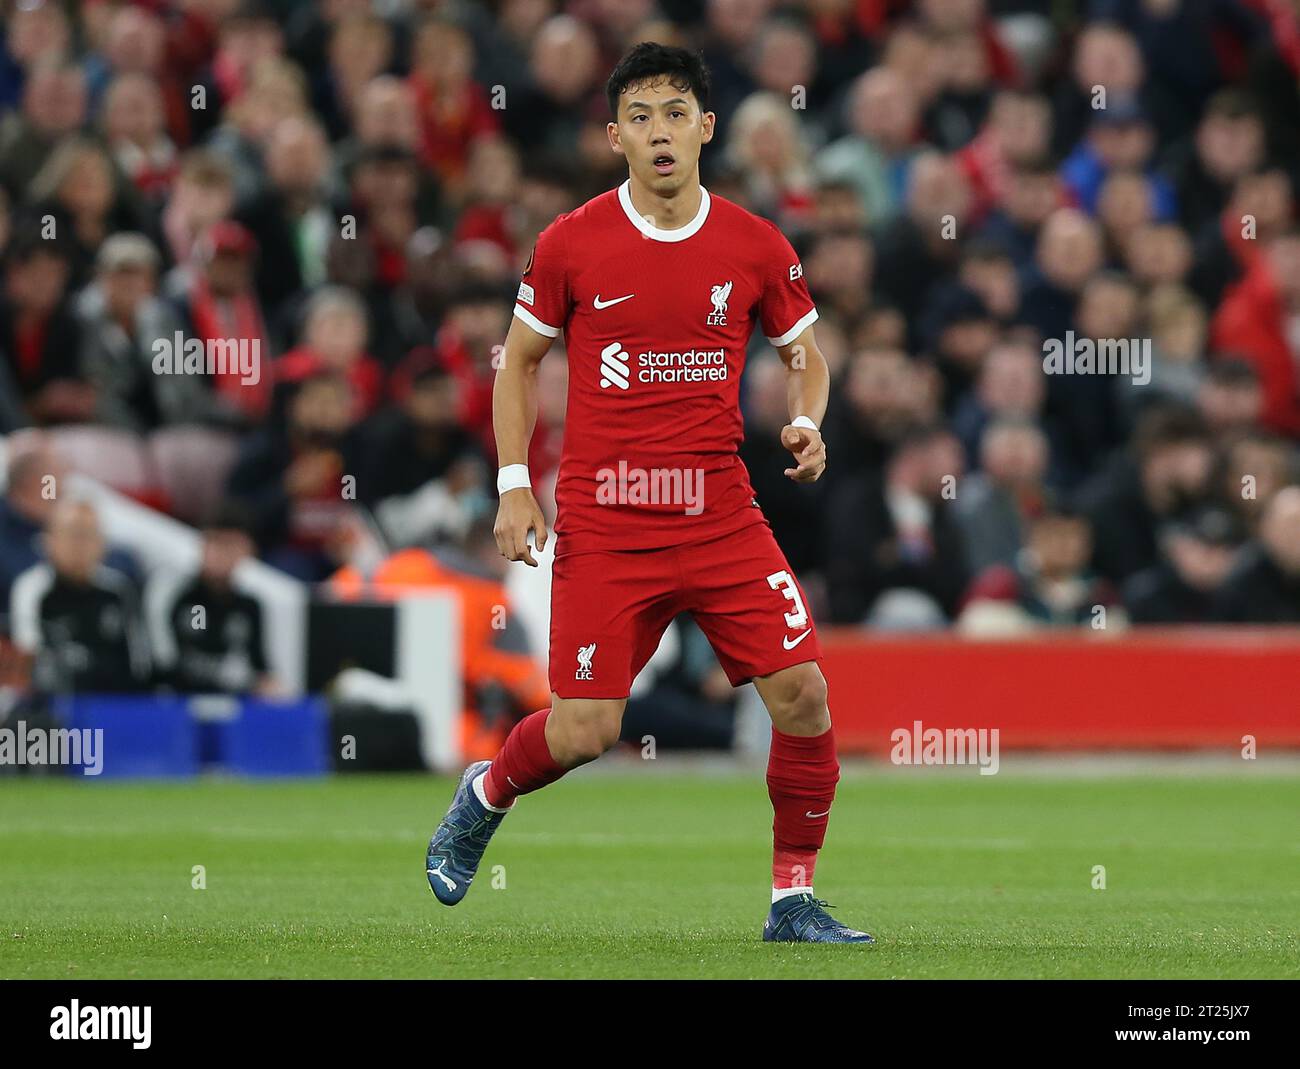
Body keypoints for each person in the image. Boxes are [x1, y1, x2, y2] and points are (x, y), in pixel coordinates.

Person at [425, 43, 872, 943]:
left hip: (720, 512)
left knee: (806, 697)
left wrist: (807, 421)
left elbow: (805, 357)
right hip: (607, 515)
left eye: (675, 113)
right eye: (640, 116)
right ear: (613, 135)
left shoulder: (755, 244)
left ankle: (792, 899)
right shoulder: (571, 241)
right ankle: (485, 793)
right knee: (586, 729)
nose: (659, 132)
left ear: (706, 128)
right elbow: (516, 363)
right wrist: (514, 487)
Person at [9, 498, 150, 694]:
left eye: (88, 535)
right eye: (72, 533)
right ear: (49, 540)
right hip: (51, 709)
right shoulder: (33, 589)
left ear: (102, 544)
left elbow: (140, 665)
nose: (80, 545)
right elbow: (28, 661)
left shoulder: (119, 591)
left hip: (114, 708)